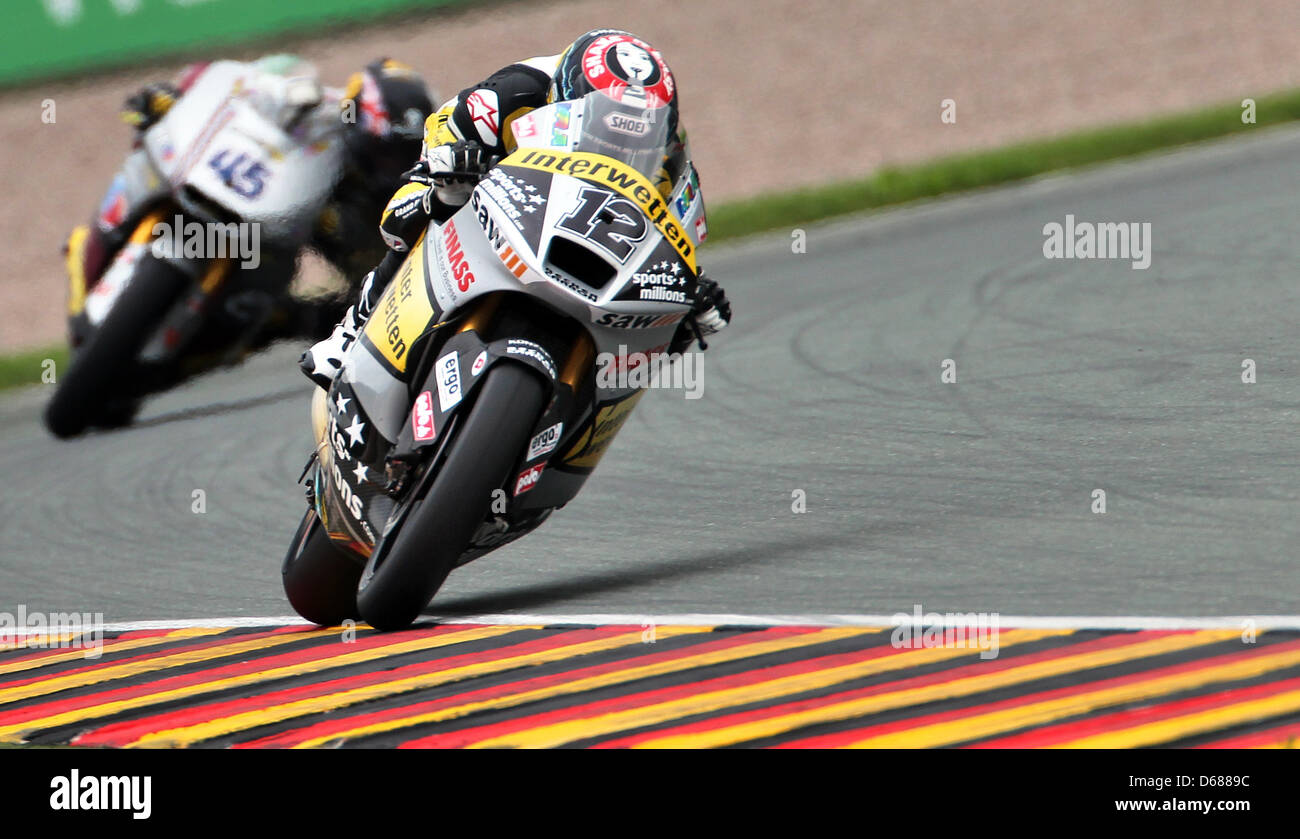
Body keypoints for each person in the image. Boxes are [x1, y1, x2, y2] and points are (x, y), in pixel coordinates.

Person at [300, 29, 731, 388]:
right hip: (502, 189)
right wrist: (451, 171)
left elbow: (675, 228)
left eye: (636, 137)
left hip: (590, 225)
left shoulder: (667, 146)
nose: (621, 145)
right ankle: (350, 335)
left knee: (666, 317)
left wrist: (689, 290)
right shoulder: (511, 92)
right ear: (564, 98)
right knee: (425, 206)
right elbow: (420, 178)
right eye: (608, 126)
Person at [67, 55, 436, 344]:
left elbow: (372, 269)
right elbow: (238, 88)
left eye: (398, 157)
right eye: (383, 152)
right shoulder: (314, 105)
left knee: (302, 317)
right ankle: (99, 250)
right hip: (232, 188)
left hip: (273, 250)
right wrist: (178, 102)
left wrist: (340, 253)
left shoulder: (389, 199)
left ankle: (218, 339)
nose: (388, 166)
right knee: (140, 162)